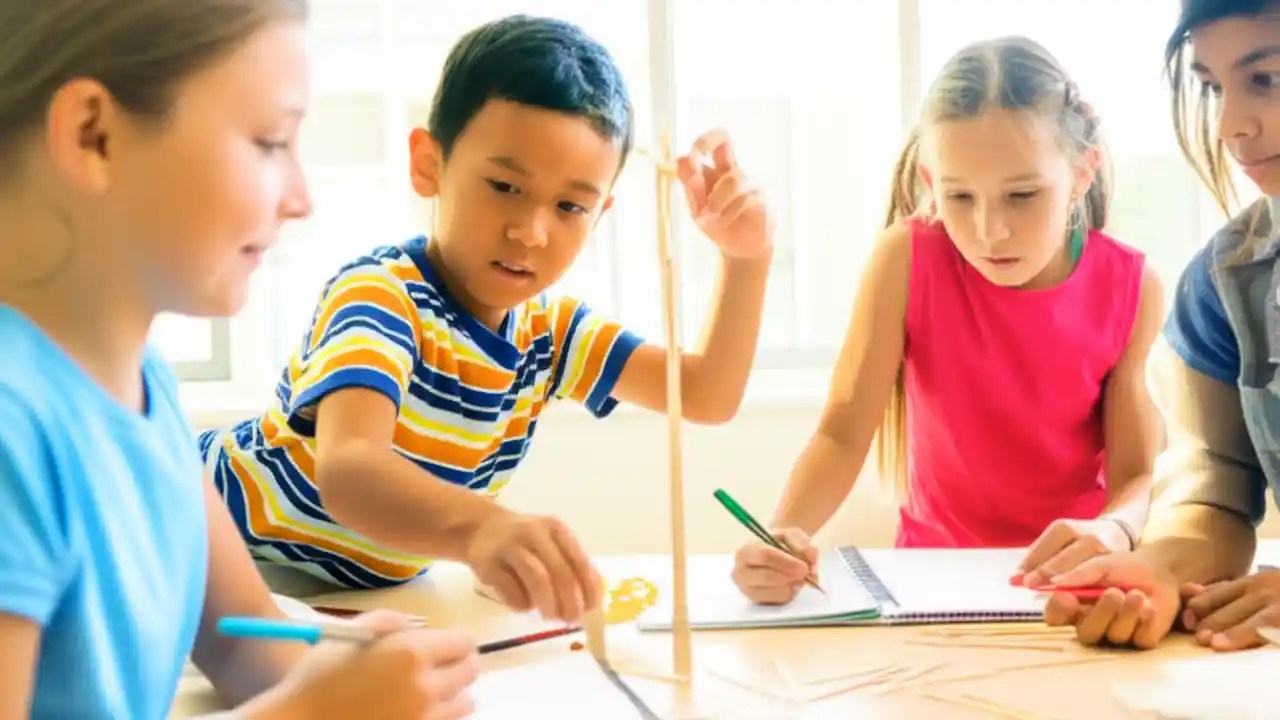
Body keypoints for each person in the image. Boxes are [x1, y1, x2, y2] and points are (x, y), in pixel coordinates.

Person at [199, 14, 774, 623]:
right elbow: (349, 471)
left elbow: (708, 394)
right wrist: (484, 529)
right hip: (207, 533)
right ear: (430, 164)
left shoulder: (550, 334)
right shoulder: (382, 296)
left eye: (570, 206)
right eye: (504, 186)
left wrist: (747, 257)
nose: (530, 231)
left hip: (343, 594)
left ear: (601, 213)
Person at [0, 1, 479, 717]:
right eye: (269, 141)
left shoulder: (141, 387)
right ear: (92, 134)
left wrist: (353, 672)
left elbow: (238, 643)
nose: (301, 198)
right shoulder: (14, 429)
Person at [731, 35, 1163, 606]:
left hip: (1073, 586)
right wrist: (784, 536)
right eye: (961, 197)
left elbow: (1137, 475)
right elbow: (841, 434)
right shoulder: (906, 259)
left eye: (1023, 195)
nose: (990, 231)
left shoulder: (1132, 287)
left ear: (1082, 174)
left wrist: (1113, 531)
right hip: (928, 584)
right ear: (932, 183)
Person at [1046, 0, 1280, 652]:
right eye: (1213, 88)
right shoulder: (1224, 285)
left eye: (1268, 78)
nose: (1232, 125)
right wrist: (1156, 571)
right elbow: (1214, 494)